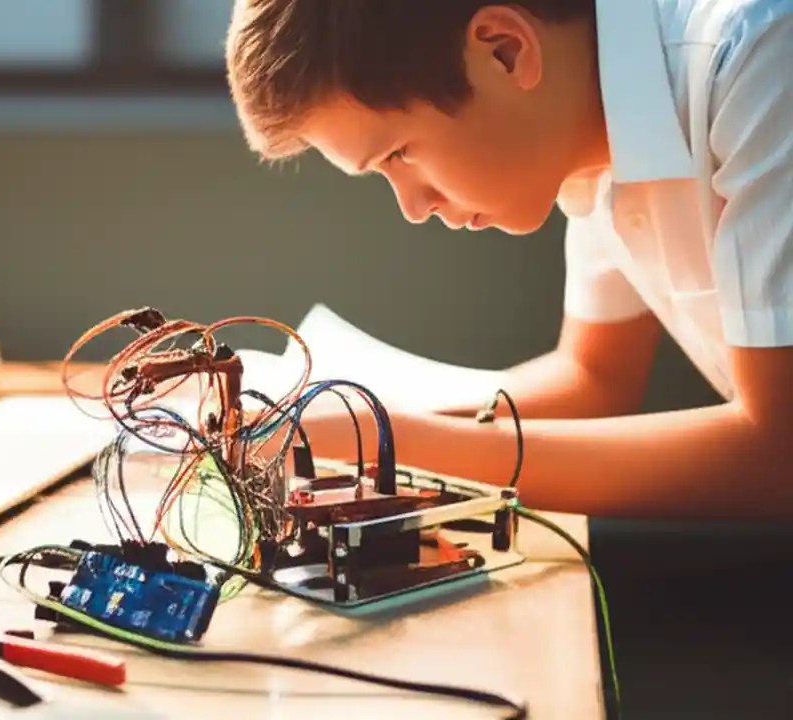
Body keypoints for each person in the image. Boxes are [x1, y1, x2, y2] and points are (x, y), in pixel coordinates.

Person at [225, 0, 793, 519]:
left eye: (399, 153)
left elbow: (778, 449)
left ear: (505, 50)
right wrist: (341, 418)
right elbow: (593, 378)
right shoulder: (588, 117)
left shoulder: (757, 55)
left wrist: (388, 442)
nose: (413, 207)